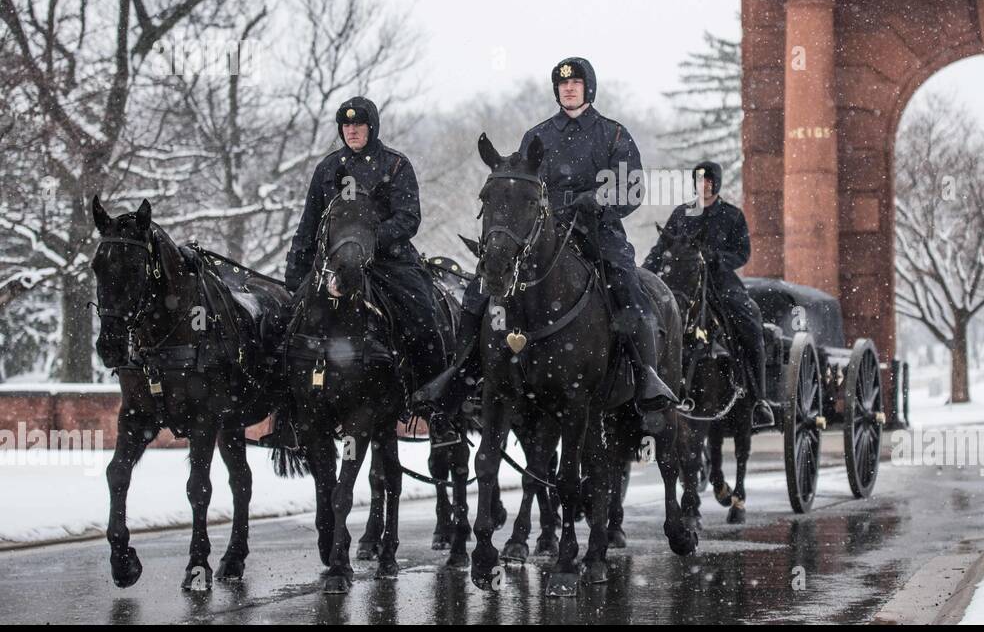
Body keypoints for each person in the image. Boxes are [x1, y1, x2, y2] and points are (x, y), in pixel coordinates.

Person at [412, 57, 678, 439]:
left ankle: (646, 377)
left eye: (575, 83)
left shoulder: (613, 135)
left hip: (596, 231)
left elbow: (632, 188)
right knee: (481, 290)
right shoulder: (537, 136)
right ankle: (463, 372)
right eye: (562, 84)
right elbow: (521, 186)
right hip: (541, 235)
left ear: (589, 88)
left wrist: (599, 200)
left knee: (628, 288)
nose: (568, 89)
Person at [282, 96, 446, 391]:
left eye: (358, 124)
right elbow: (309, 224)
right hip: (333, 265)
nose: (352, 130)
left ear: (372, 127)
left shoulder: (396, 165)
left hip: (389, 262)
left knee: (425, 317)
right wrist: (296, 271)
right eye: (346, 124)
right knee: (287, 324)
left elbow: (409, 219)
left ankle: (434, 403)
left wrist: (364, 244)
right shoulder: (327, 168)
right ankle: (288, 410)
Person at [643, 160, 769, 420]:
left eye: (709, 181)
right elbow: (660, 250)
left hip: (720, 283)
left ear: (717, 183)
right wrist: (643, 274)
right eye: (700, 180)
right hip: (684, 283)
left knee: (750, 322)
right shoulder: (681, 214)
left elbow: (742, 253)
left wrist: (717, 259)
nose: (705, 185)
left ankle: (759, 399)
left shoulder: (733, 215)